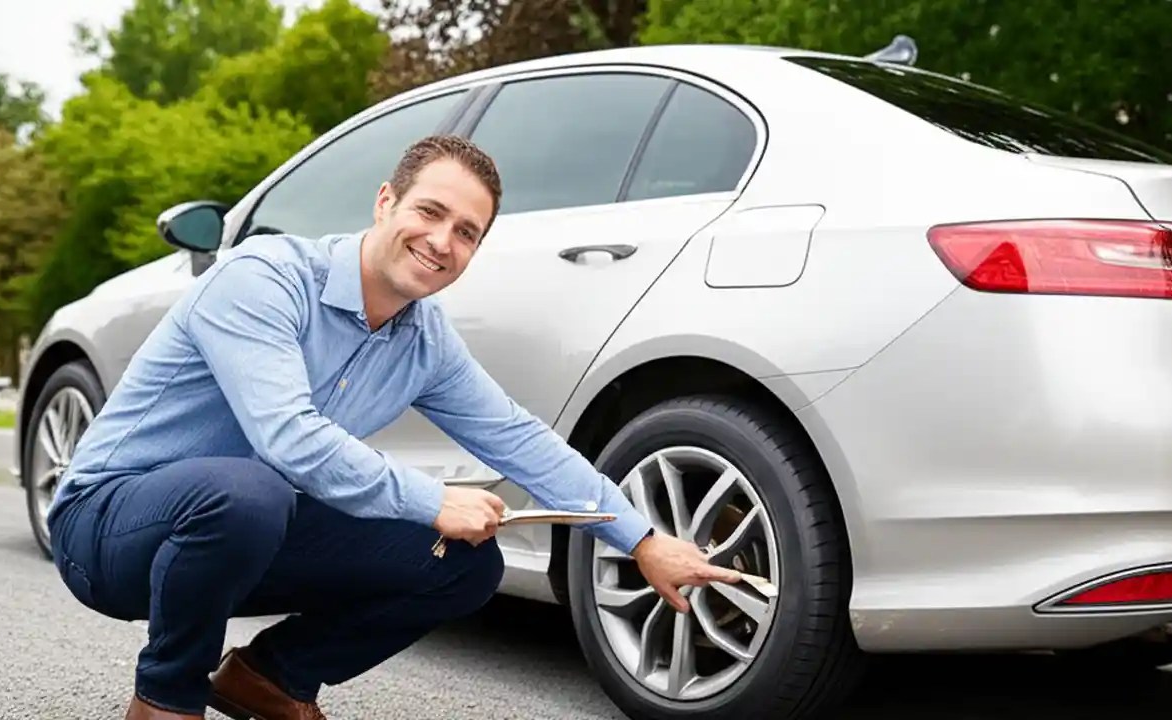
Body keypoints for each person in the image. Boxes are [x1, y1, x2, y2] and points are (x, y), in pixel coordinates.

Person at [46, 135, 741, 720]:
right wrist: (435, 499)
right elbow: (288, 436)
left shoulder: (425, 342)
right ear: (386, 202)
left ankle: (272, 677)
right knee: (249, 492)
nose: (442, 241)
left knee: (464, 563)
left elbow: (521, 440)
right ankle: (166, 699)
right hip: (109, 527)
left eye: (466, 232)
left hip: (240, 532)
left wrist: (642, 539)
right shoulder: (266, 278)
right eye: (429, 212)